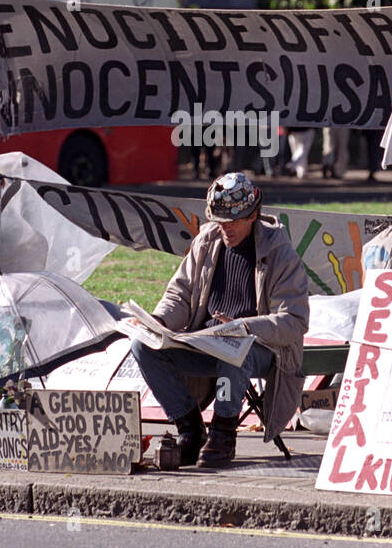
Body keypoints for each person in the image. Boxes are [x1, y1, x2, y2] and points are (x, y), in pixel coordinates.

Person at [130, 172, 308, 466]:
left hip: (260, 348)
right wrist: (159, 321)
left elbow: (294, 321)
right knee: (143, 346)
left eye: (233, 222)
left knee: (234, 348)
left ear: (253, 215)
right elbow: (181, 294)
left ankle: (224, 435)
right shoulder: (207, 241)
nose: (225, 229)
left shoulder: (280, 253)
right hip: (206, 340)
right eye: (220, 222)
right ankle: (189, 427)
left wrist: (244, 326)